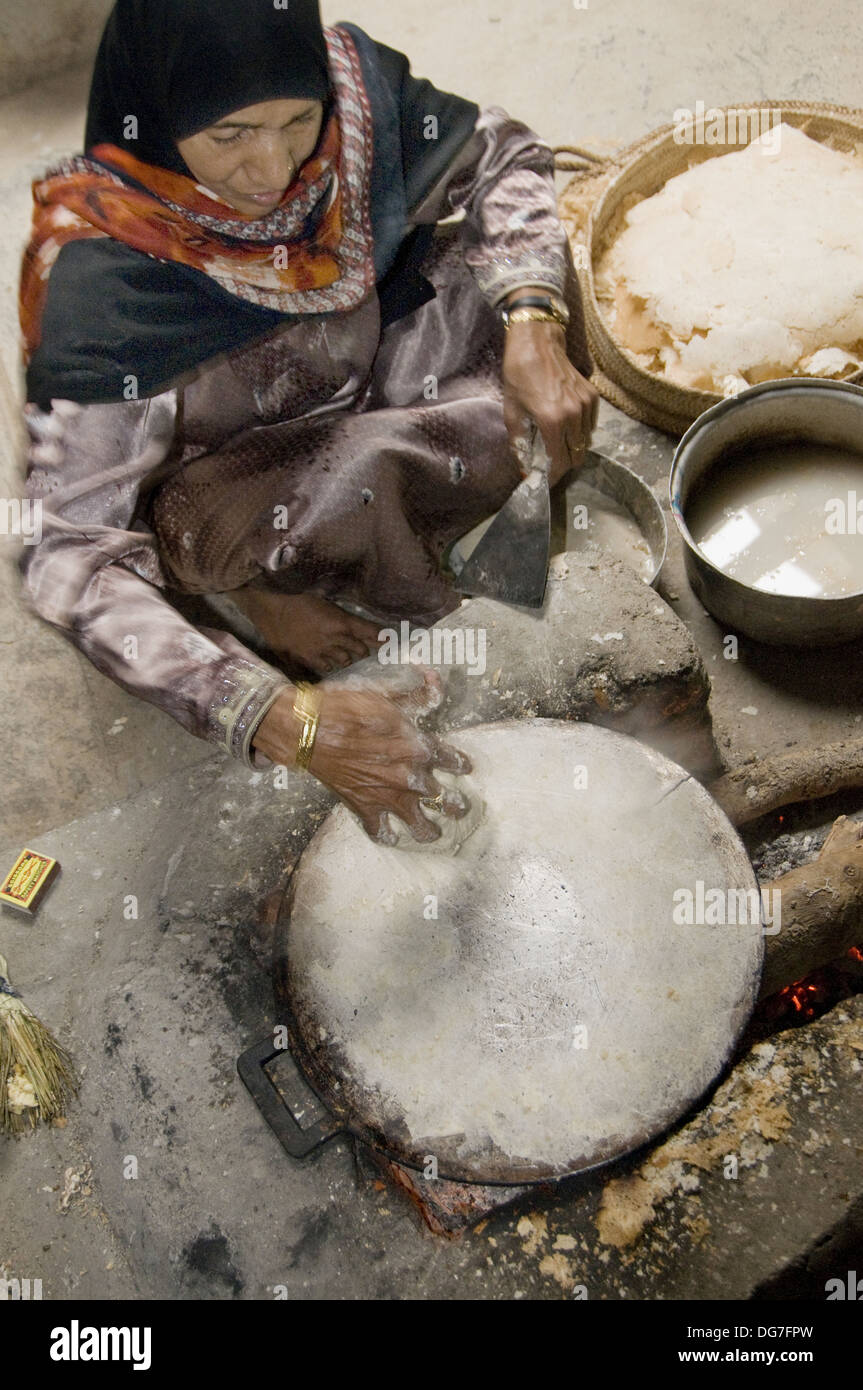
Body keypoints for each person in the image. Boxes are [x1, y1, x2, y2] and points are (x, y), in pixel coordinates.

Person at [18, 0, 597, 845]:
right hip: (230, 460)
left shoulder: (353, 100)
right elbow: (65, 558)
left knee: (525, 291)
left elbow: (503, 153)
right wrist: (276, 717)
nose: (274, 169)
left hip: (361, 346)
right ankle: (260, 591)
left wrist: (534, 323)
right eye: (229, 136)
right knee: (347, 481)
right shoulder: (106, 279)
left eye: (296, 120)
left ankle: (394, 505)